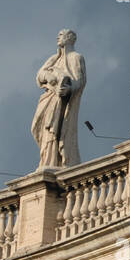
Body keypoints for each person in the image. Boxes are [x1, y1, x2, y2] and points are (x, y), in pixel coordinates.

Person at [31, 30, 86, 168]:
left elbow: (80, 81)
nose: (58, 37)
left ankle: (51, 161)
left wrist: (69, 89)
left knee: (54, 132)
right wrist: (47, 76)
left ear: (69, 38)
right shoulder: (54, 58)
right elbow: (39, 76)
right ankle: (46, 160)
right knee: (37, 128)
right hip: (48, 97)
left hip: (60, 101)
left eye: (61, 34)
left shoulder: (76, 57)